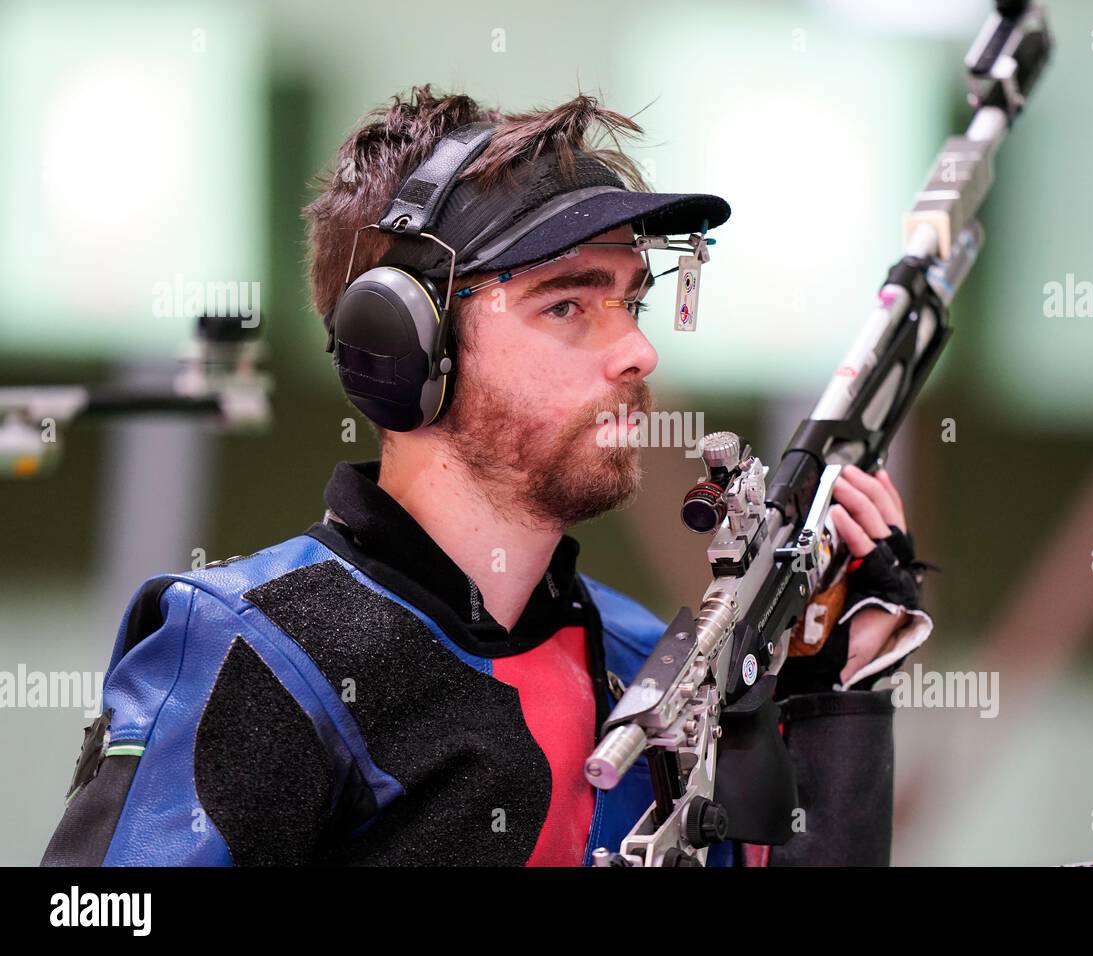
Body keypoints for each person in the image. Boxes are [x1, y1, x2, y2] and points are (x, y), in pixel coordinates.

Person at [40, 87, 933, 867]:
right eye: (568, 304)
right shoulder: (257, 652)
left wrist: (833, 698)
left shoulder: (645, 667)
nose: (637, 350)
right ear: (402, 346)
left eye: (633, 301)